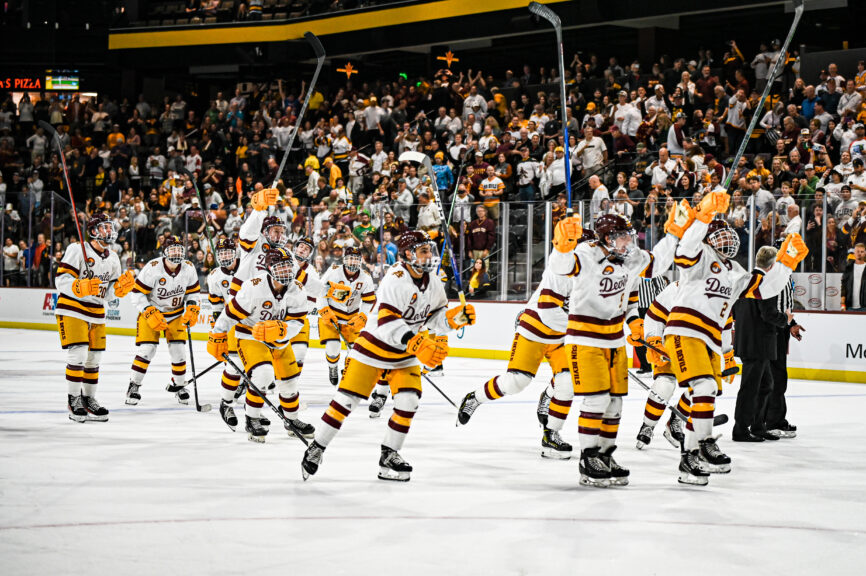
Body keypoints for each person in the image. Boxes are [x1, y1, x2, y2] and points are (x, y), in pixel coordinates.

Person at [300, 231, 475, 482]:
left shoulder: (434, 282)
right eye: (423, 251)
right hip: (372, 348)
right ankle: (317, 447)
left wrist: (454, 319)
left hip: (404, 354)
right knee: (345, 402)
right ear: (408, 254)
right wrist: (416, 342)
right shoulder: (396, 278)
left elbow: (432, 318)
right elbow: (387, 321)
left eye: (429, 250)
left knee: (409, 401)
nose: (429, 255)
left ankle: (390, 454)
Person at [663, 190, 809, 486]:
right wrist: (703, 217)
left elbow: (765, 289)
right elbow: (685, 247)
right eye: (719, 235)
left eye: (729, 234)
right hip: (684, 330)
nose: (727, 239)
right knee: (704, 386)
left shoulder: (736, 271)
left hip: (709, 338)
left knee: (703, 393)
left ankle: (691, 455)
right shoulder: (699, 256)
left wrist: (786, 264)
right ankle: (701, 446)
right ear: (708, 239)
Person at [536, 208, 685, 487]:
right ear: (607, 238)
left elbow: (658, 263)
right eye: (622, 236)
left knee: (615, 403)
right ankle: (588, 458)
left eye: (629, 236)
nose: (629, 241)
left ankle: (605, 455)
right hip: (585, 339)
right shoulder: (585, 253)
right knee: (597, 400)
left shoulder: (630, 258)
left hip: (614, 340)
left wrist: (674, 235)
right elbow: (560, 267)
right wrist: (561, 247)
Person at [456, 229, 597, 461]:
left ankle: (551, 434)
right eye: (589, 249)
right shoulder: (560, 269)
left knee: (567, 383)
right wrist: (583, 328)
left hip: (562, 336)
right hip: (536, 329)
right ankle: (475, 398)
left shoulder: (594, 275)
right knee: (515, 383)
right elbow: (549, 311)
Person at [208, 247, 315, 442]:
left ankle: (291, 420)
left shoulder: (298, 289)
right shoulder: (253, 287)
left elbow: (298, 322)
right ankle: (252, 419)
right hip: (250, 335)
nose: (286, 271)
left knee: (290, 381)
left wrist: (282, 330)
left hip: (279, 341)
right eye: (281, 267)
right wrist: (217, 333)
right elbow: (230, 313)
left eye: (288, 266)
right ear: (269, 268)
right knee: (263, 374)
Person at [55, 213, 134, 422]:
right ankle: (73, 400)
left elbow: (107, 293)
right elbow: (61, 279)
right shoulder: (77, 249)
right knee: (78, 354)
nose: (109, 231)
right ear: (92, 231)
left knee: (94, 358)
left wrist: (118, 290)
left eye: (110, 227)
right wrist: (78, 286)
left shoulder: (114, 257)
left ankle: (88, 399)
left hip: (97, 311)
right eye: (104, 227)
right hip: (72, 307)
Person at [125, 235, 201, 406]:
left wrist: (192, 306)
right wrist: (148, 311)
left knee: (178, 351)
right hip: (153, 312)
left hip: (176, 314)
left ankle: (179, 385)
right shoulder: (153, 268)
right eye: (172, 249)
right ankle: (133, 385)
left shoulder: (189, 268)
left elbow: (193, 293)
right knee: (147, 350)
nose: (176, 253)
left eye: (179, 249)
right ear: (164, 252)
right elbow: (137, 293)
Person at [732, 246, 791, 442]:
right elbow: (768, 314)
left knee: (766, 385)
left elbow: (735, 310)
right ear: (772, 266)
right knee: (751, 387)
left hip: (748, 340)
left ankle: (757, 426)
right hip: (759, 342)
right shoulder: (766, 283)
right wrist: (786, 319)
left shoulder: (745, 280)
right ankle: (740, 429)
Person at [317, 246, 377, 385]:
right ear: (344, 259)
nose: (353, 262)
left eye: (356, 259)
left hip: (352, 317)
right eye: (350, 258)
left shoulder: (366, 277)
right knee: (333, 347)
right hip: (332, 314)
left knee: (355, 350)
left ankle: (348, 370)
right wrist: (325, 310)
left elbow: (369, 300)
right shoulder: (333, 271)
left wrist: (362, 316)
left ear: (360, 261)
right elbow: (320, 291)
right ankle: (332, 367)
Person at [205, 238, 244, 429]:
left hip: (254, 320)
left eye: (228, 252)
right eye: (221, 253)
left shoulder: (247, 266)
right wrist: (217, 331)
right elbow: (217, 306)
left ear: (235, 253)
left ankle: (253, 412)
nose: (225, 256)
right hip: (233, 322)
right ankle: (227, 401)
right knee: (234, 364)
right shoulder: (214, 276)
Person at [764, 273, 801, 439]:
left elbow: (785, 306)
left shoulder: (787, 275)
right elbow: (769, 309)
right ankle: (772, 422)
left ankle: (772, 420)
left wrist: (791, 324)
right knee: (776, 377)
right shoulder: (774, 276)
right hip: (773, 329)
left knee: (776, 377)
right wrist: (785, 322)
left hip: (781, 328)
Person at [841, 242, 866, 311]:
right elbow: (844, 286)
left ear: (865, 253)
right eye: (857, 251)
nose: (859, 253)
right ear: (854, 253)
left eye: (862, 252)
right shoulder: (848, 268)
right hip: (849, 306)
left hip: (864, 307)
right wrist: (842, 303)